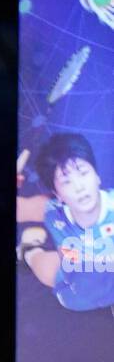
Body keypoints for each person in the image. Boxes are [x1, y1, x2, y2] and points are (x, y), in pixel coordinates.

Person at [16, 133, 114, 310]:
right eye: (66, 181)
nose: (79, 187)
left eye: (83, 173)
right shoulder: (51, 210)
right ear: (57, 194)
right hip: (75, 292)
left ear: (97, 176)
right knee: (47, 268)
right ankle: (28, 249)